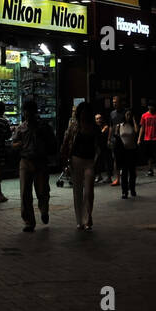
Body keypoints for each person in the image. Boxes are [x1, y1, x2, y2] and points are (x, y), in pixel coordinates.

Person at [10, 97, 53, 232]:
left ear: (34, 112)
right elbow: (13, 144)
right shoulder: (21, 127)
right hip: (25, 161)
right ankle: (29, 221)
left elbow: (51, 141)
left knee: (42, 190)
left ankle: (44, 210)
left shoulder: (43, 126)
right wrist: (20, 144)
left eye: (29, 112)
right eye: (26, 112)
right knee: (25, 193)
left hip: (40, 161)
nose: (27, 115)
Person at [61, 102, 99, 230]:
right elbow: (66, 142)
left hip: (89, 161)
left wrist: (96, 160)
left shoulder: (94, 127)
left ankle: (87, 217)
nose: (84, 115)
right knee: (77, 191)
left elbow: (99, 146)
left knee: (89, 191)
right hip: (76, 160)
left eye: (86, 113)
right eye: (82, 112)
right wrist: (65, 159)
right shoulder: (74, 127)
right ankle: (80, 220)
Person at [115, 110, 140, 198]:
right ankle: (124, 191)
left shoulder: (133, 126)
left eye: (130, 115)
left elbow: (137, 131)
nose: (129, 116)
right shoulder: (119, 125)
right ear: (124, 115)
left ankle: (132, 189)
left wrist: (133, 120)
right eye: (127, 114)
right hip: (123, 152)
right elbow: (116, 137)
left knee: (132, 172)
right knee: (124, 172)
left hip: (132, 151)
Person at [140, 101, 156, 177]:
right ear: (148, 107)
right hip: (147, 138)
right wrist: (139, 138)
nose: (151, 108)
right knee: (149, 155)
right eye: (150, 106)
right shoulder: (144, 115)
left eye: (153, 106)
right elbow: (142, 127)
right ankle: (150, 170)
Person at [108, 95, 125, 186]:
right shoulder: (112, 113)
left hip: (125, 139)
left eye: (116, 102)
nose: (114, 104)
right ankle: (117, 179)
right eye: (113, 102)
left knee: (125, 159)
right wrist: (109, 139)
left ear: (121, 102)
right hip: (115, 139)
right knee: (115, 159)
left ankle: (126, 177)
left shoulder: (126, 112)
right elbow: (111, 126)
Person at [93, 112, 112, 183]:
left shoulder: (106, 126)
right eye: (97, 119)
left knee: (107, 161)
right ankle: (99, 176)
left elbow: (101, 133)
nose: (99, 120)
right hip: (98, 147)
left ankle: (109, 177)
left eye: (100, 118)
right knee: (97, 162)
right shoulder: (95, 127)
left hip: (105, 146)